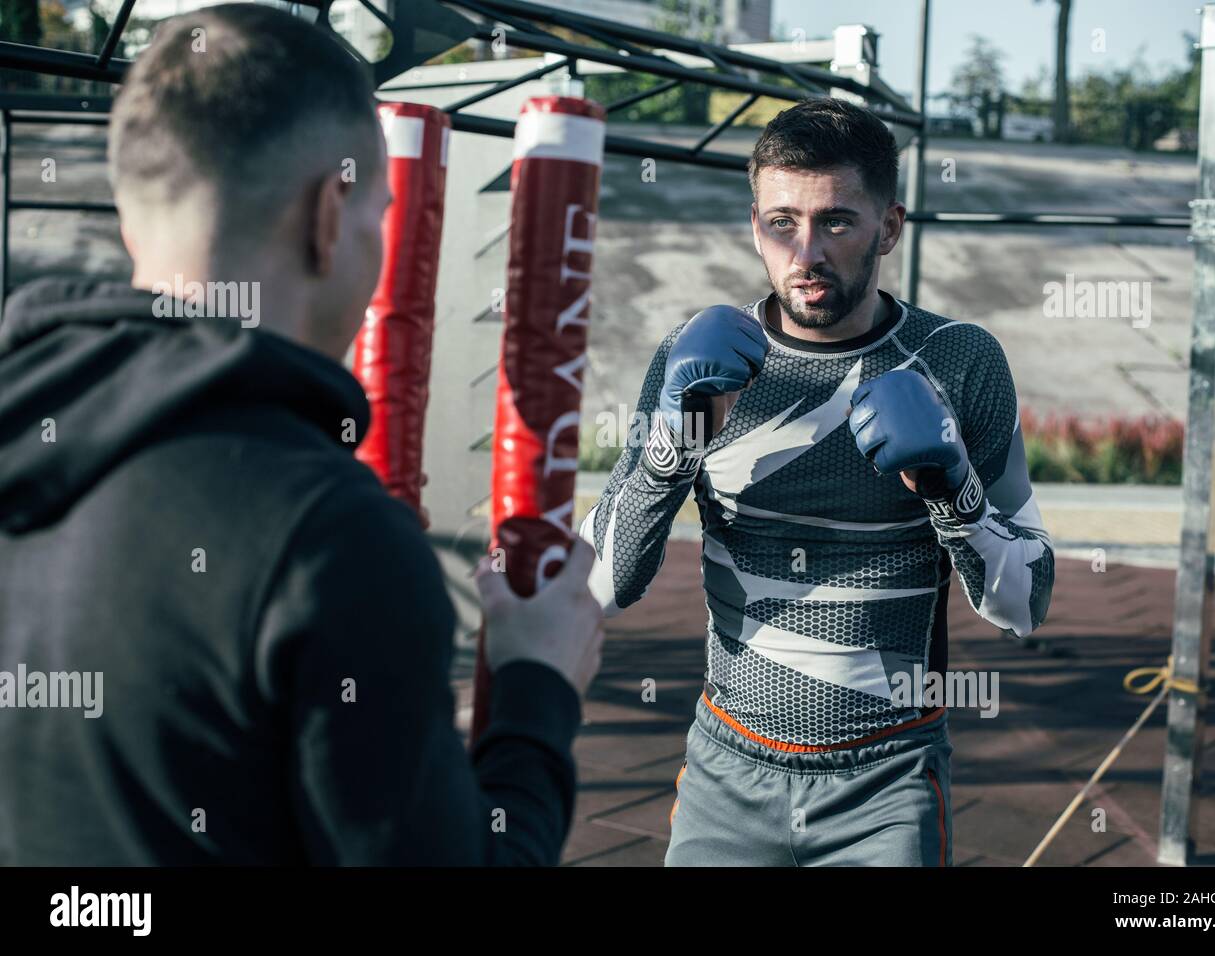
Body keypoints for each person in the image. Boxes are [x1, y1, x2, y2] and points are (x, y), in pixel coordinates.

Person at [0, 3, 602, 866]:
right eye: (381, 215)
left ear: (135, 218)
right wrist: (539, 693)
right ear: (330, 214)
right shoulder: (331, 540)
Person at [579, 97, 1055, 866]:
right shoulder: (690, 355)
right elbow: (600, 585)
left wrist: (954, 491)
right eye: (781, 223)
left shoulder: (961, 360)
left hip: (888, 782)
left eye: (836, 221)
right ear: (755, 226)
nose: (806, 252)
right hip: (725, 772)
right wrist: (675, 447)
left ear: (889, 227)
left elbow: (1025, 605)